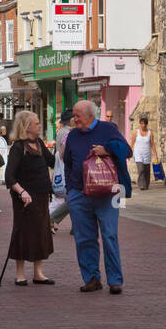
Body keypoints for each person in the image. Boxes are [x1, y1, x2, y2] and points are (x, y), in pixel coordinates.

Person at [61, 99, 131, 294]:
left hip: (107, 194)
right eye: (74, 116)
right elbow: (67, 162)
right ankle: (91, 278)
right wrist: (70, 189)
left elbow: (128, 151)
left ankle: (115, 280)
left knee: (110, 236)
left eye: (77, 116)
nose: (74, 119)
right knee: (84, 238)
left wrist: (107, 150)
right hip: (79, 193)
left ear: (90, 115)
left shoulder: (108, 129)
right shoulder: (73, 135)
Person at [5, 111, 55, 286]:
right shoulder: (18, 147)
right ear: (27, 127)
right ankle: (20, 273)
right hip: (24, 199)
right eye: (36, 123)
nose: (39, 126)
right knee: (23, 232)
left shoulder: (40, 143)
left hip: (41, 196)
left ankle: (38, 272)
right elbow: (9, 177)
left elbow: (53, 161)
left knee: (41, 231)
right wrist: (22, 192)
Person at [49, 110, 73, 232]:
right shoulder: (69, 133)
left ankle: (75, 226)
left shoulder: (60, 133)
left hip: (60, 166)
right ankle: (50, 219)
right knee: (72, 199)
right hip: (67, 168)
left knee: (69, 199)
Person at [130, 117, 154, 191]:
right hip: (138, 154)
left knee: (147, 171)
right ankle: (141, 184)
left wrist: (155, 155)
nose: (143, 125)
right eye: (141, 123)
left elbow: (152, 144)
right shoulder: (136, 133)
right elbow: (132, 144)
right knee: (141, 169)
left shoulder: (150, 133)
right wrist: (128, 153)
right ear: (140, 124)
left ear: (146, 124)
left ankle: (146, 184)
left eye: (144, 124)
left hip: (147, 154)